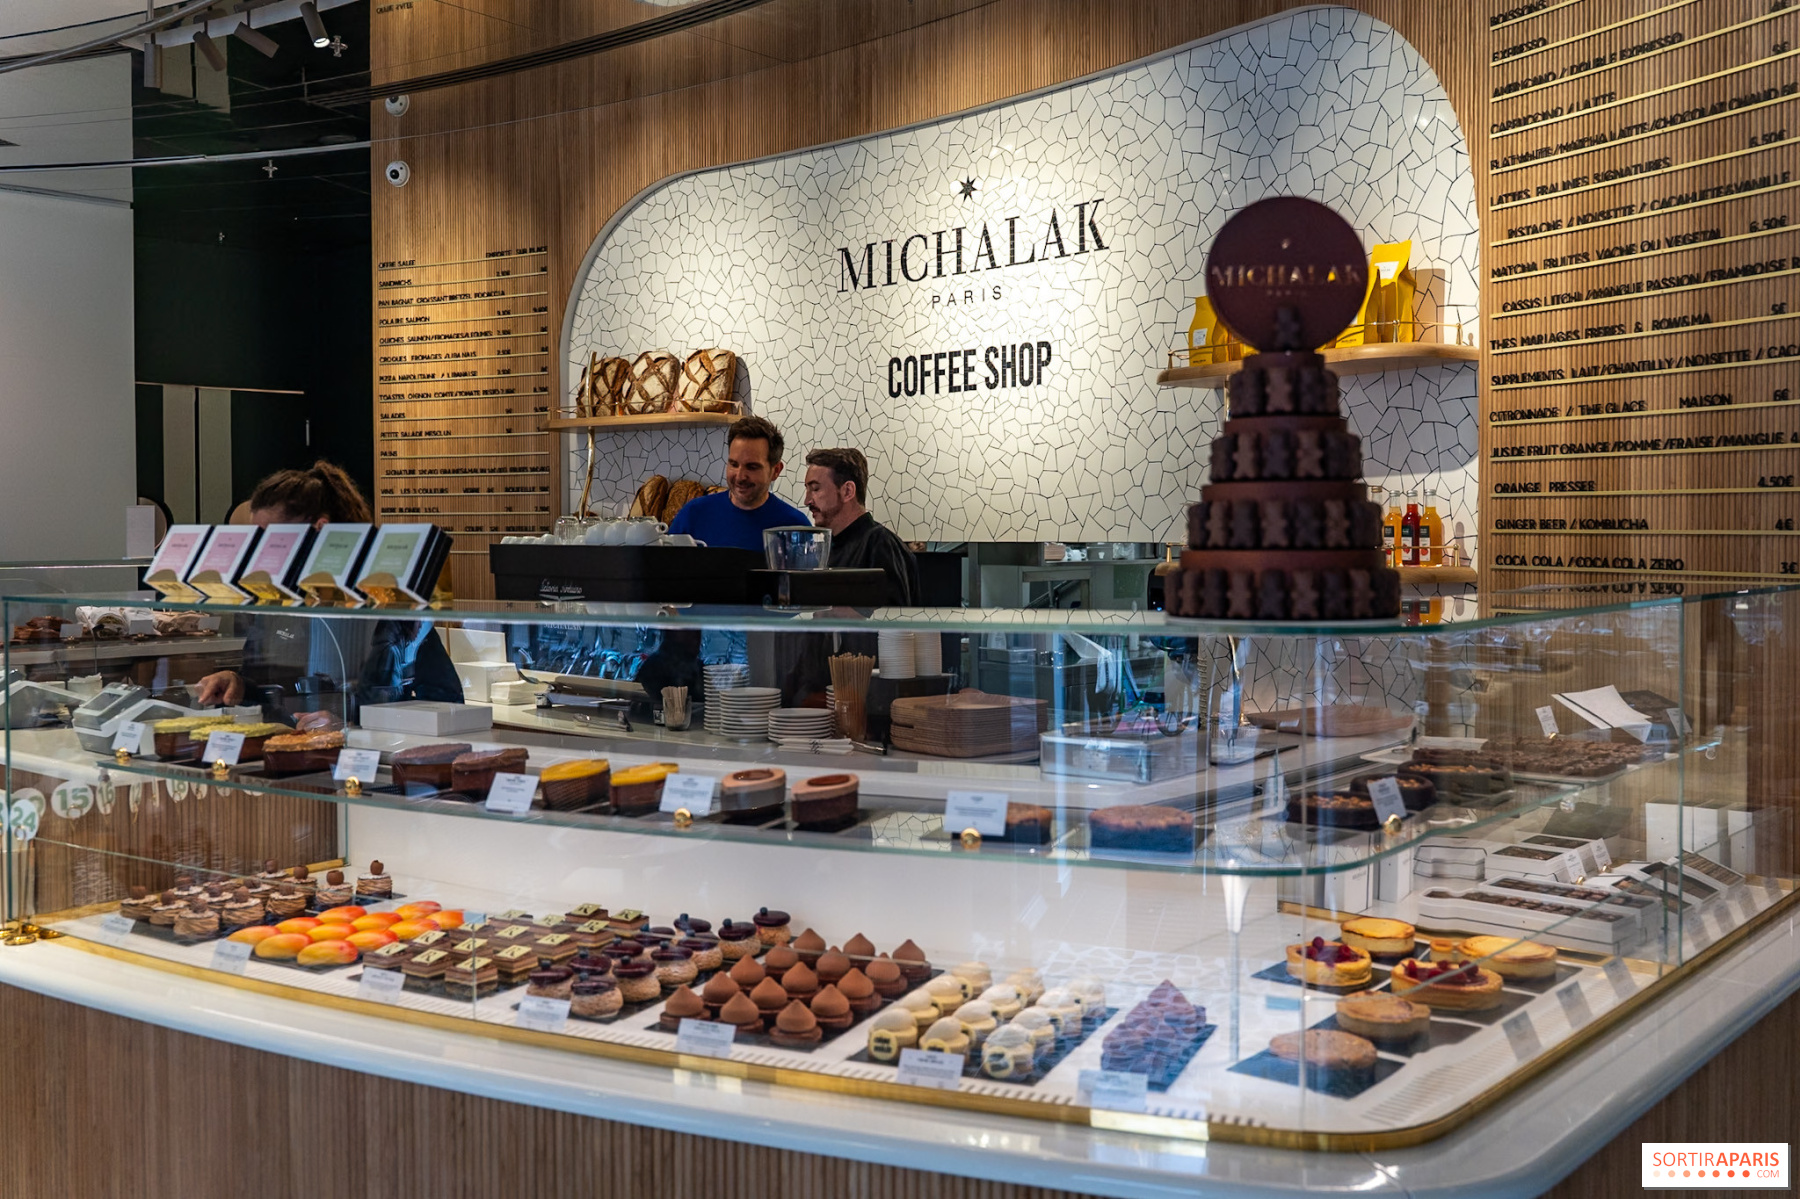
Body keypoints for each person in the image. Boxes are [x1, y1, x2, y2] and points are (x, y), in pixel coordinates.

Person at [194, 461, 462, 710]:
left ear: (319, 529)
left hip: (363, 753)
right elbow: (273, 687)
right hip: (292, 748)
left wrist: (347, 717)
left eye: (270, 538)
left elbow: (443, 699)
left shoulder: (381, 600)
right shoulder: (277, 603)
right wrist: (239, 685)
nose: (261, 551)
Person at [666, 415, 809, 552]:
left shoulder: (796, 528)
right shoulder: (693, 515)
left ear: (776, 471)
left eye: (752, 467)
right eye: (734, 464)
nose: (740, 477)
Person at [802, 447, 920, 604]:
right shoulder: (829, 547)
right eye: (807, 490)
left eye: (815, 489)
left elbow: (893, 621)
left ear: (847, 491)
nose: (807, 501)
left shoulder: (880, 543)